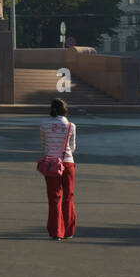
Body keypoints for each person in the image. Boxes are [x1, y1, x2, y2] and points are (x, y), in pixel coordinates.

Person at [38, 98, 76, 240]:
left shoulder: (44, 125)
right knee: (68, 196)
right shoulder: (71, 126)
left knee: (54, 197)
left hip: (51, 164)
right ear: (65, 110)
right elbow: (72, 147)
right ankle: (68, 230)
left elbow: (44, 144)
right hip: (67, 163)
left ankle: (56, 232)